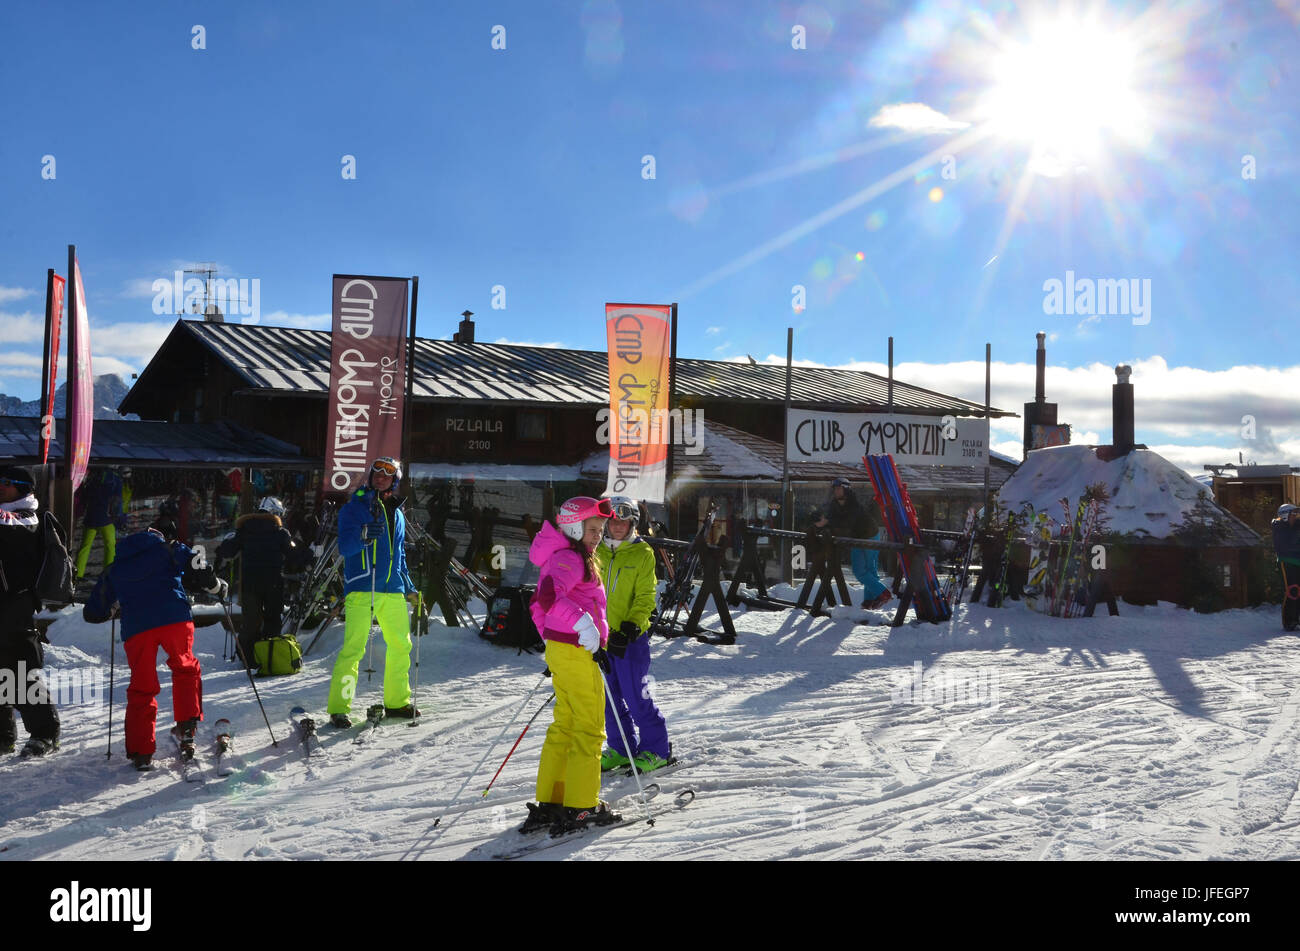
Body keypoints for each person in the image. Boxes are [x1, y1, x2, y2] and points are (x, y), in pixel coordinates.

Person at [83, 519, 226, 769]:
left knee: (142, 686)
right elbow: (200, 567)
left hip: (138, 628)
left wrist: (116, 605)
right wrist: (217, 587)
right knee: (185, 668)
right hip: (174, 619)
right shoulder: (169, 549)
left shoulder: (116, 567)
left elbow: (93, 613)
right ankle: (187, 727)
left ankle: (141, 752)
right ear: (158, 536)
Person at [520, 496, 618, 834]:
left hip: (564, 649)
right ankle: (580, 806)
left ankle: (552, 800)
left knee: (566, 723)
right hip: (576, 651)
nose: (597, 536)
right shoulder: (570, 557)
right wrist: (584, 625)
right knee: (590, 728)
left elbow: (538, 601)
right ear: (574, 527)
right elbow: (548, 598)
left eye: (601, 530)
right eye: (592, 529)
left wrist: (549, 636)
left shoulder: (567, 555)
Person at [327, 457, 420, 727]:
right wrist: (363, 535)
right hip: (363, 586)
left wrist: (409, 586)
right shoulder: (355, 507)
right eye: (376, 473)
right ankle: (339, 707)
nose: (380, 477)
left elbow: (399, 555)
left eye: (387, 474)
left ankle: (397, 702)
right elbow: (345, 548)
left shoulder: (399, 514)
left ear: (395, 480)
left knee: (401, 645)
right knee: (354, 649)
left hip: (393, 589)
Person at [596, 495, 672, 773]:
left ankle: (656, 749)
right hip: (601, 638)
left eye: (623, 522)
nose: (617, 527)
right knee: (609, 700)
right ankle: (621, 748)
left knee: (636, 697)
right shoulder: (596, 551)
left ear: (633, 524)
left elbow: (646, 596)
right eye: (613, 522)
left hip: (629, 640)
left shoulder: (642, 553)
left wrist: (631, 626)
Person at [0, 466, 62, 757]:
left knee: (21, 674)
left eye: (7, 483)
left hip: (17, 606)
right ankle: (4, 737)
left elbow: (11, 529)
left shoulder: (28, 517)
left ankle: (45, 734)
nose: (1, 487)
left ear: (23, 488)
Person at [215, 496, 308, 668]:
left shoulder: (244, 530)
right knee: (272, 619)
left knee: (251, 621)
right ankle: (268, 656)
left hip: (250, 584)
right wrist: (309, 555)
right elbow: (294, 556)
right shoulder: (280, 532)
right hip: (273, 583)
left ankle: (247, 657)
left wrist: (227, 543)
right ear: (275, 513)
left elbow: (227, 552)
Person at [816, 477, 890, 609]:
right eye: (835, 489)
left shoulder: (854, 505)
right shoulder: (834, 505)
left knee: (869, 570)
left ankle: (870, 600)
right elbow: (830, 519)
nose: (836, 491)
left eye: (839, 489)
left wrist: (829, 524)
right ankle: (880, 594)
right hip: (856, 539)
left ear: (846, 489)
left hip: (870, 536)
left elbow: (846, 524)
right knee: (859, 571)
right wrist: (821, 524)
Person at [74, 467, 124, 580]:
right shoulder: (115, 479)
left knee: (85, 547)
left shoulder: (93, 479)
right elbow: (117, 500)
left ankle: (78, 573)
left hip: (91, 517)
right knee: (110, 546)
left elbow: (85, 497)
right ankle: (108, 572)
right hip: (107, 519)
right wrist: (118, 517)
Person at [1271, 503, 1300, 632]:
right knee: (1292, 591)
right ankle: (1289, 621)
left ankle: (1297, 618)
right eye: (1293, 514)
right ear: (1285, 516)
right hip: (1287, 562)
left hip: (1297, 561)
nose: (1295, 516)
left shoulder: (1296, 526)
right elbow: (1284, 547)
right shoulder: (1280, 528)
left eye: (1296, 514)